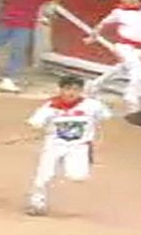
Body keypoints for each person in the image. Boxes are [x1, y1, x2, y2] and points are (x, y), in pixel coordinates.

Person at [24, 76, 112, 216]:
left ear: (81, 91)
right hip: (54, 145)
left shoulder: (92, 105)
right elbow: (35, 123)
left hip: (79, 147)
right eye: (67, 89)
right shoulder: (50, 106)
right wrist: (37, 132)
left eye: (76, 90)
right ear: (61, 90)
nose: (71, 93)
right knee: (44, 175)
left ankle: (64, 166)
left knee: (78, 176)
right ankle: (37, 203)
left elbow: (106, 117)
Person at [85, 0, 141, 114]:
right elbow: (102, 24)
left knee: (121, 69)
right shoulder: (119, 12)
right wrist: (92, 37)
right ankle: (131, 99)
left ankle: (94, 84)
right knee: (140, 73)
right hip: (124, 47)